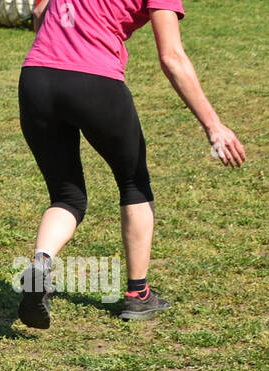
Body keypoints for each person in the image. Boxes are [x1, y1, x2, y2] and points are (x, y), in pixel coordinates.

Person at [17, 0, 245, 327]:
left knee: (67, 196)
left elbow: (40, 14)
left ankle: (41, 263)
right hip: (95, 82)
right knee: (133, 182)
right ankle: (138, 294)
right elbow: (172, 56)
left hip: (36, 79)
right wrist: (214, 126)